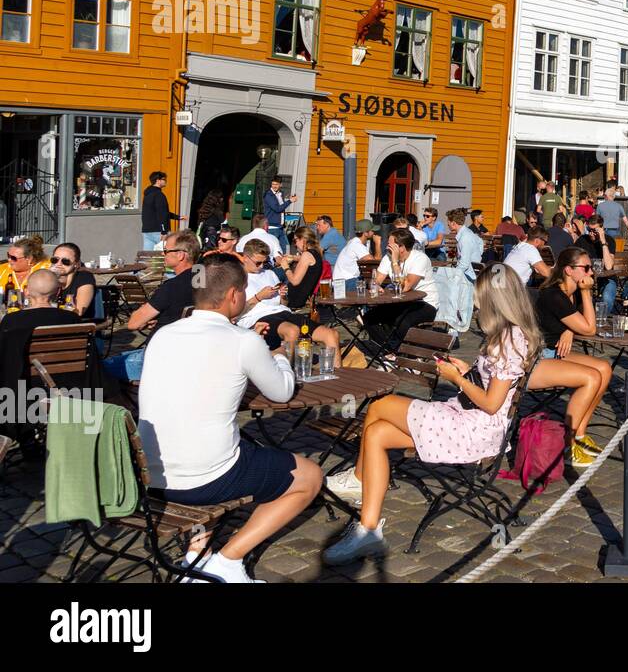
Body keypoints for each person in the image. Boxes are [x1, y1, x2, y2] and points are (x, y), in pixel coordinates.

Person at [323, 265, 540, 563]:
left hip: (474, 429)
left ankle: (358, 482)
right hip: (466, 416)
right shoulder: (509, 334)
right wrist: (468, 370)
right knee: (376, 433)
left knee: (379, 406)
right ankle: (368, 530)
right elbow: (493, 386)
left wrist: (457, 378)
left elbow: (491, 404)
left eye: (480, 298)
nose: (476, 304)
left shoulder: (509, 340)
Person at [138, 253, 321, 583]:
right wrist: (278, 358)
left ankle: (196, 557)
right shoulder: (243, 341)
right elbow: (281, 392)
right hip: (205, 478)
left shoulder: (163, 335)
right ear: (235, 295)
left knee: (208, 444)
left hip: (152, 474)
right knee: (309, 476)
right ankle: (228, 560)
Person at [531, 247, 613, 468]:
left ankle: (579, 435)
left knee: (604, 368)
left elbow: (575, 322)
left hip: (554, 352)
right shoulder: (554, 294)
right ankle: (567, 445)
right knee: (591, 377)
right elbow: (589, 329)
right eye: (586, 268)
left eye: (591, 268)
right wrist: (587, 294)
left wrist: (569, 330)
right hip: (537, 357)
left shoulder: (570, 291)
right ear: (568, 270)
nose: (591, 273)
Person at [1, 269, 82, 459]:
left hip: (22, 386)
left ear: (27, 291)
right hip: (65, 384)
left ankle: (25, 437)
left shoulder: (12, 320)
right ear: (58, 293)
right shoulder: (71, 319)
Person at [366, 228, 440, 343]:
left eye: (390, 245)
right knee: (369, 317)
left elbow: (405, 287)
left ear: (402, 248)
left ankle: (404, 352)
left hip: (424, 303)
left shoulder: (420, 259)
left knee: (402, 321)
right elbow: (375, 281)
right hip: (401, 302)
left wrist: (395, 262)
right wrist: (376, 286)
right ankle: (388, 351)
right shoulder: (387, 258)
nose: (386, 247)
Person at [126, 230, 199, 334]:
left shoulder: (171, 287)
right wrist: (160, 319)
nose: (162, 253)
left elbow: (133, 323)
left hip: (163, 346)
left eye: (165, 251)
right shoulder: (204, 278)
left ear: (180, 255)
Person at [49, 242, 96, 318]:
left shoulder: (84, 277)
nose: (59, 264)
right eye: (55, 260)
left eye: (65, 261)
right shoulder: (49, 278)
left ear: (76, 264)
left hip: (77, 324)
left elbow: (79, 312)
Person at [142, 171, 184, 251]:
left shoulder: (147, 195)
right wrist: (164, 231)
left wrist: (177, 217)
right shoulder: (159, 195)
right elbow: (162, 213)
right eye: (164, 179)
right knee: (164, 256)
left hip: (147, 230)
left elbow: (158, 212)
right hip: (158, 231)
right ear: (158, 181)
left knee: (147, 257)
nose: (166, 181)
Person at [333, 220, 379, 292]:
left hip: (341, 281)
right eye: (372, 231)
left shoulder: (353, 242)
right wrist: (378, 243)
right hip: (347, 282)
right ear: (366, 233)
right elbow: (375, 263)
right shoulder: (357, 245)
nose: (374, 233)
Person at [448, 208, 484, 282]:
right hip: (470, 272)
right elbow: (480, 241)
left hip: (469, 276)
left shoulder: (465, 237)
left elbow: (464, 264)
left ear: (453, 223)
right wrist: (477, 255)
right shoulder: (467, 231)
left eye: (448, 222)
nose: (447, 224)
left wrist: (453, 275)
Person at [262, 178, 297, 253]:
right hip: (272, 227)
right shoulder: (268, 195)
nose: (274, 186)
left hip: (280, 226)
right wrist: (290, 201)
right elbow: (277, 209)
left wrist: (289, 200)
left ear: (281, 185)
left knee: (286, 247)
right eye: (273, 184)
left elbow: (281, 206)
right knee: (271, 249)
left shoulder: (280, 193)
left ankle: (286, 263)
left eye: (276, 184)